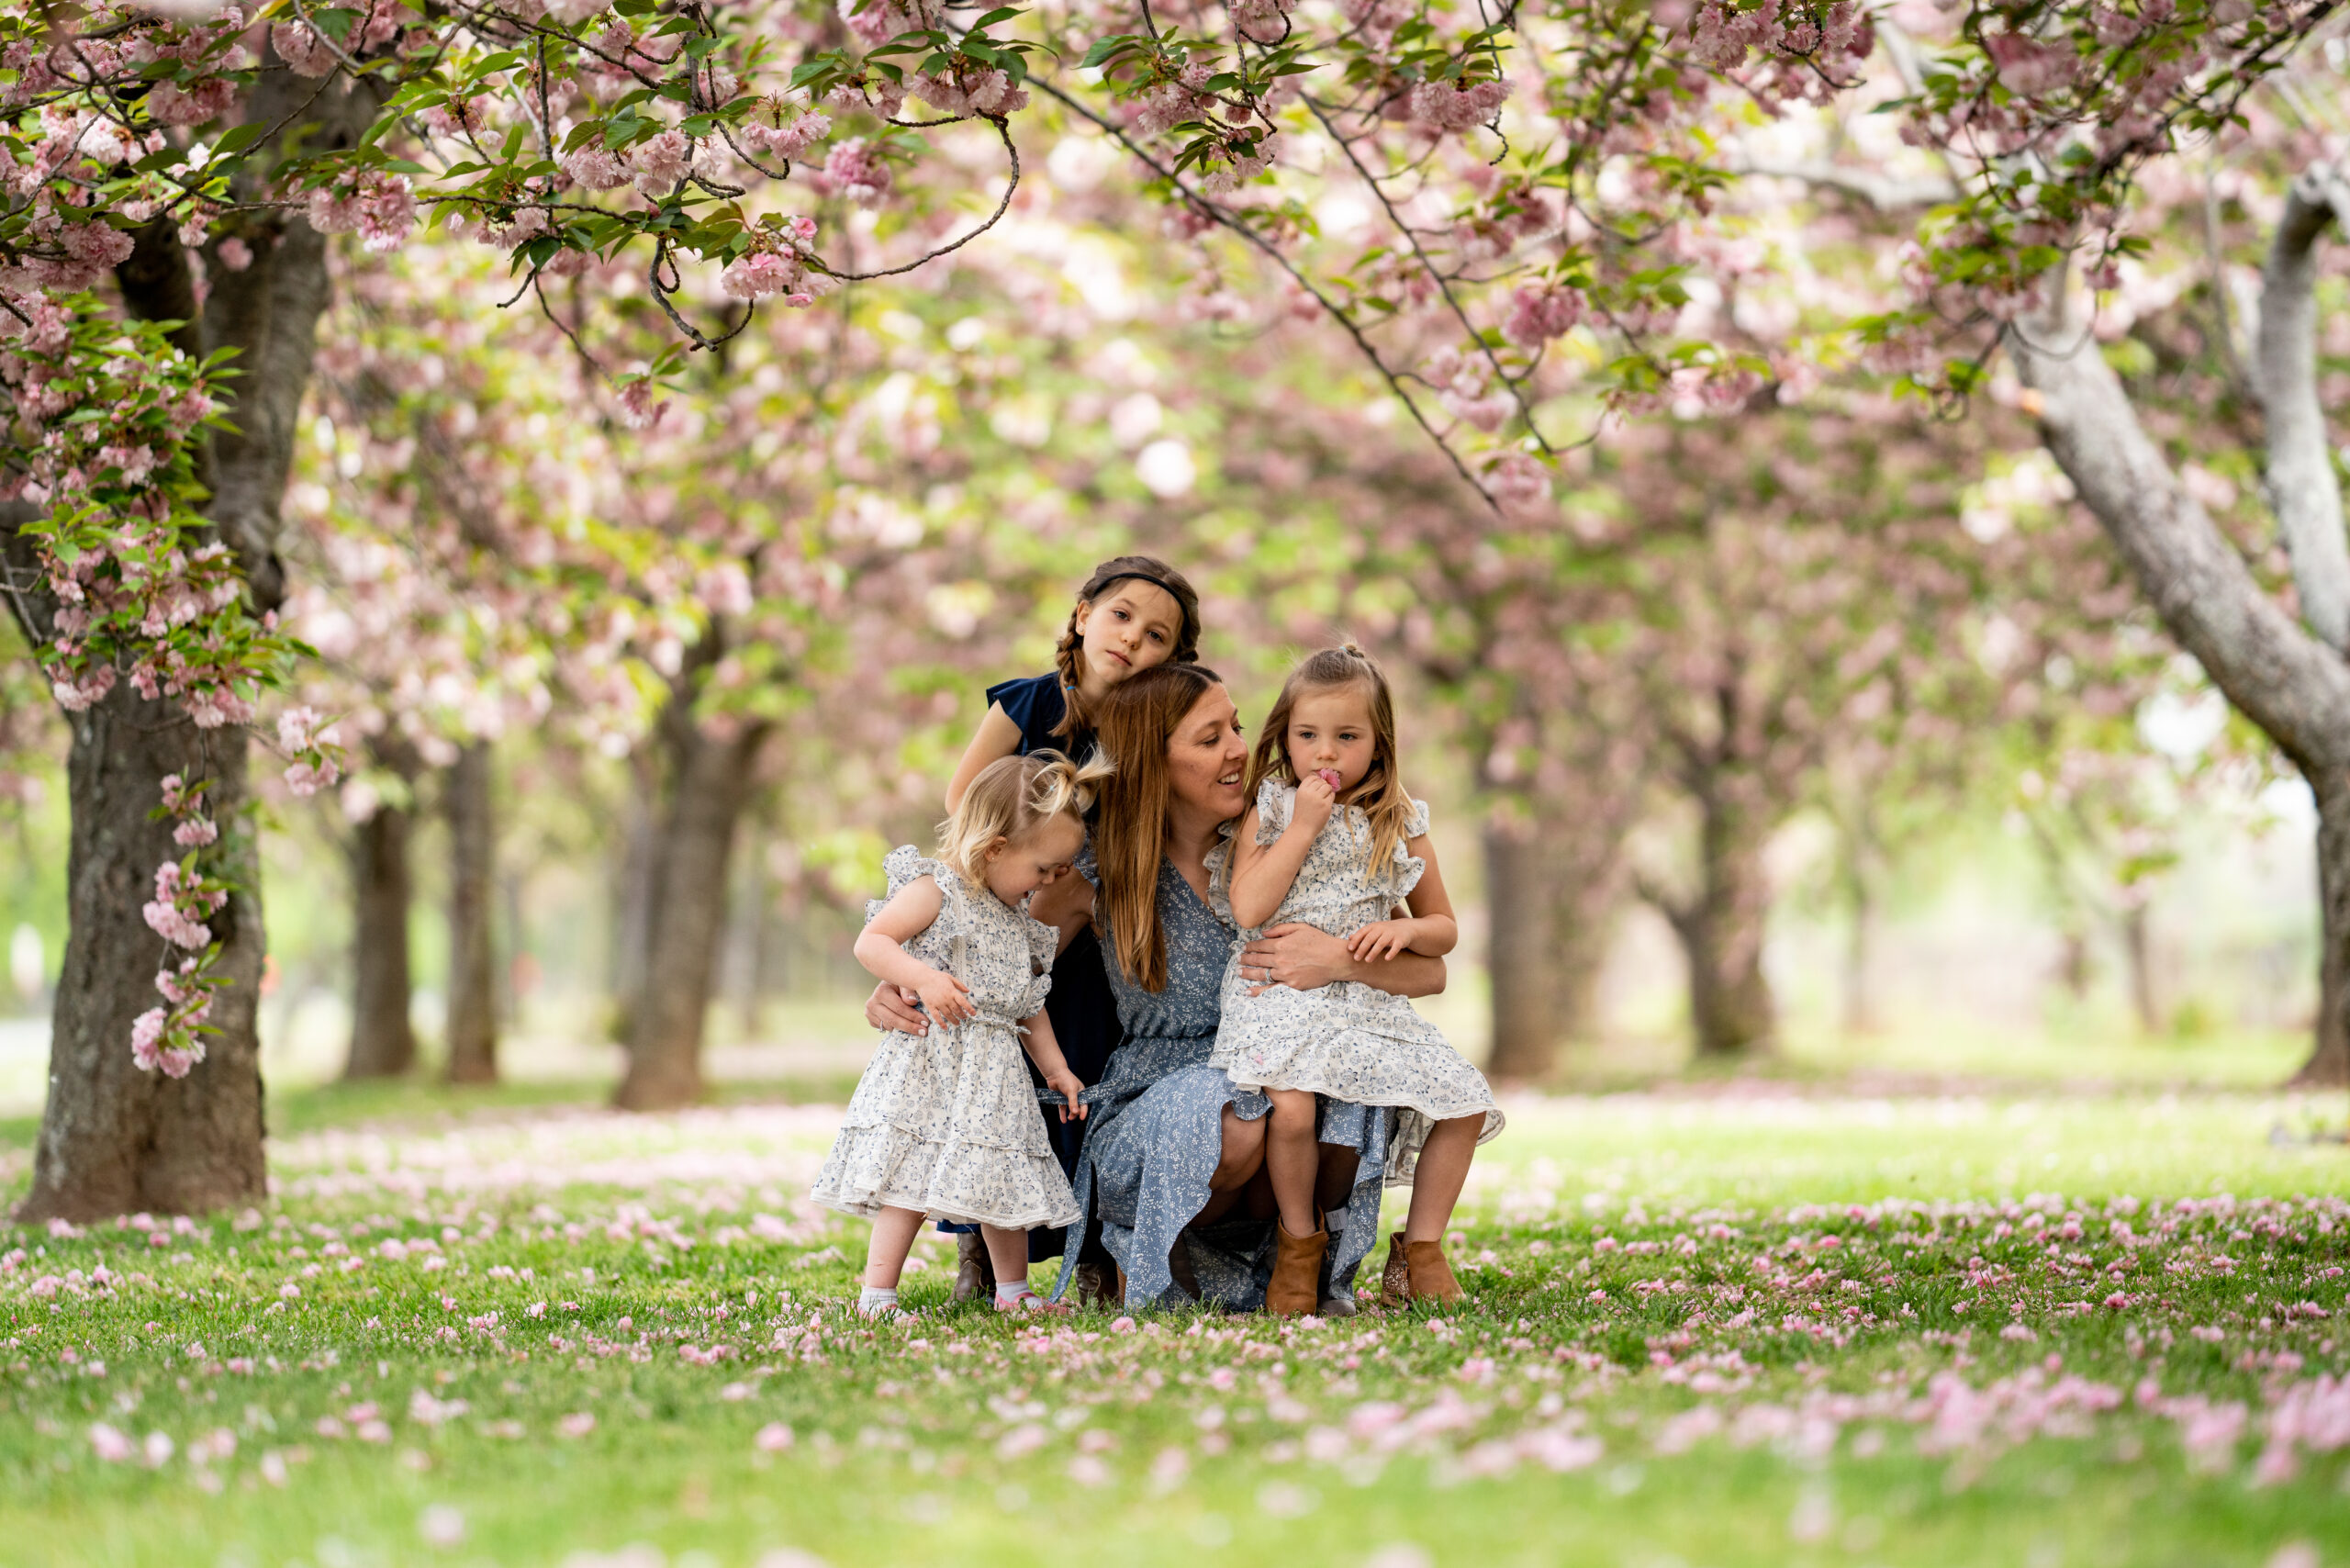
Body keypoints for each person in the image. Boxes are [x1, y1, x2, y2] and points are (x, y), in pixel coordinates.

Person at [874, 663, 1463, 1311]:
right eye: (1210, 739)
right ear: (1155, 762)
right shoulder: (1095, 868)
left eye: (1236, 727)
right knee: (1236, 1108)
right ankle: (1154, 1249)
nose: (1240, 749)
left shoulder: (1289, 841)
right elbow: (993, 956)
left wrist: (1339, 963)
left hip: (1280, 1069)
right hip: (1161, 1099)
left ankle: (1292, 1257)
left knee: (1328, 1092)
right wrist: (900, 987)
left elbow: (1430, 969)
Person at [935, 556, 1203, 1301]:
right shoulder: (1026, 704)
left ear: (1170, 660)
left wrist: (1082, 881)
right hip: (999, 923)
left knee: (1083, 1081)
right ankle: (981, 1253)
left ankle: (1089, 1246)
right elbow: (964, 796)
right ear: (1083, 614)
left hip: (1091, 942)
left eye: (1156, 637)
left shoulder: (1143, 734)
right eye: (1121, 616)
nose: (1131, 640)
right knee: (995, 1088)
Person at [1213, 645, 1504, 1313]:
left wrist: (1406, 931)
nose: (1326, 754)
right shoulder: (1274, 808)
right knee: (1292, 1110)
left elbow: (1444, 930)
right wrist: (1306, 824)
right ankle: (1299, 1243)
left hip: (1363, 1000)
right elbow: (1250, 909)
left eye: (1347, 737)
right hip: (1277, 994)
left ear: (1380, 743)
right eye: (1308, 736)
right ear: (1284, 737)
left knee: (1462, 1100)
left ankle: (1421, 1251)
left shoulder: (1399, 820)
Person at [811, 752, 1105, 1318]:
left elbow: (1028, 1007)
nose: (1047, 883)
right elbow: (872, 943)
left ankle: (1013, 1291)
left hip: (994, 1079)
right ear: (995, 849)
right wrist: (921, 977)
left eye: (1059, 872)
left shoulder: (1019, 923)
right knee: (908, 1183)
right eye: (1043, 869)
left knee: (999, 1176)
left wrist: (1057, 1070)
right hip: (931, 1067)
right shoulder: (935, 891)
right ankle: (877, 1295)